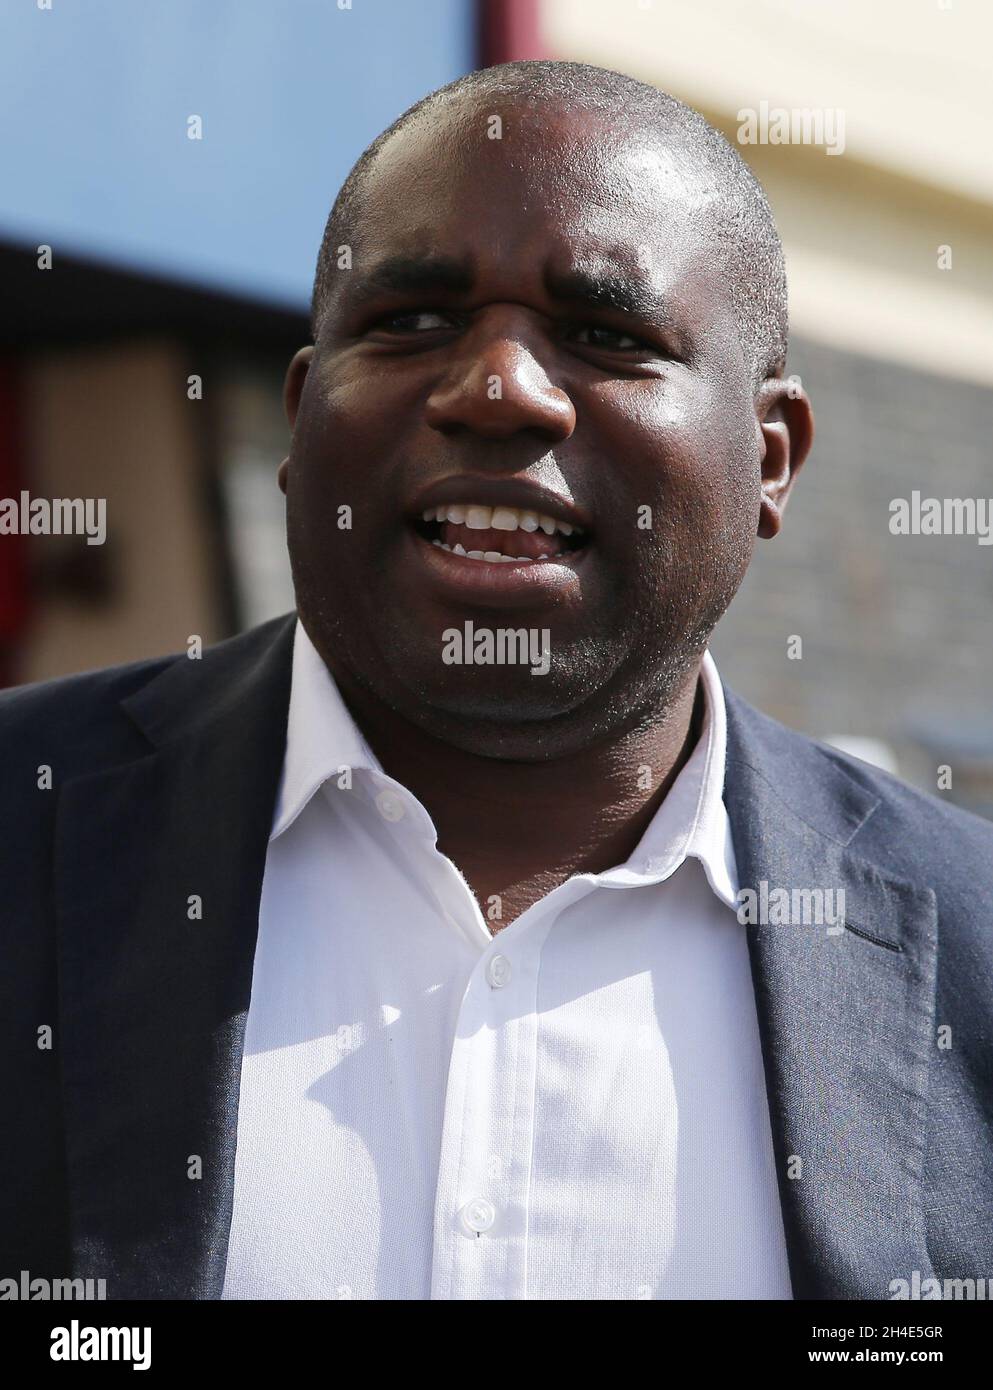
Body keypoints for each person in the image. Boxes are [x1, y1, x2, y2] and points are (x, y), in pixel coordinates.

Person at [2, 60, 990, 1302]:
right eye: (411, 322)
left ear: (771, 456)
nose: (497, 389)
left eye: (607, 336)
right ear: (302, 422)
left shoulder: (970, 941)